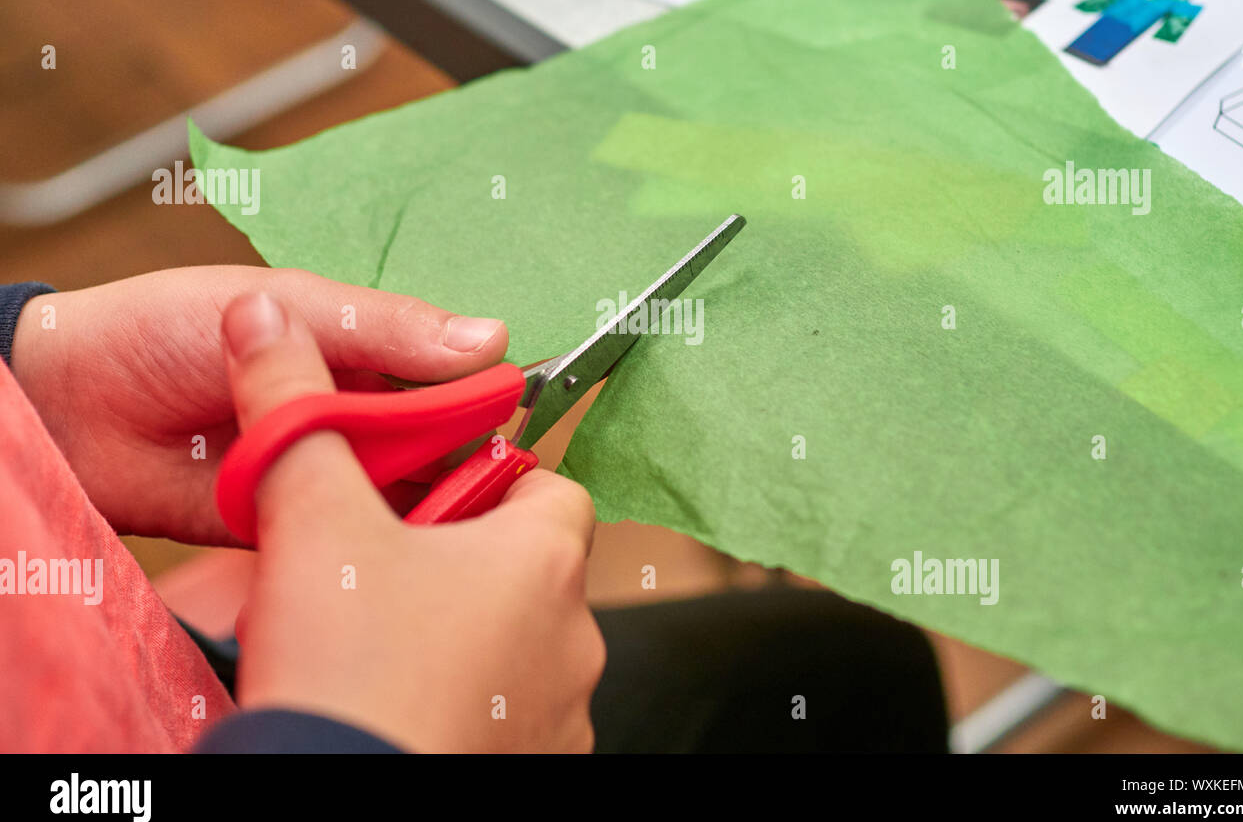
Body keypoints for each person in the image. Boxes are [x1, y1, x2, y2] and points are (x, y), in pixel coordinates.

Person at [0, 268, 947, 753]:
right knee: (839, 686)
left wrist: (34, 382)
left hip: (204, 703)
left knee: (844, 668)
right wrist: (367, 739)